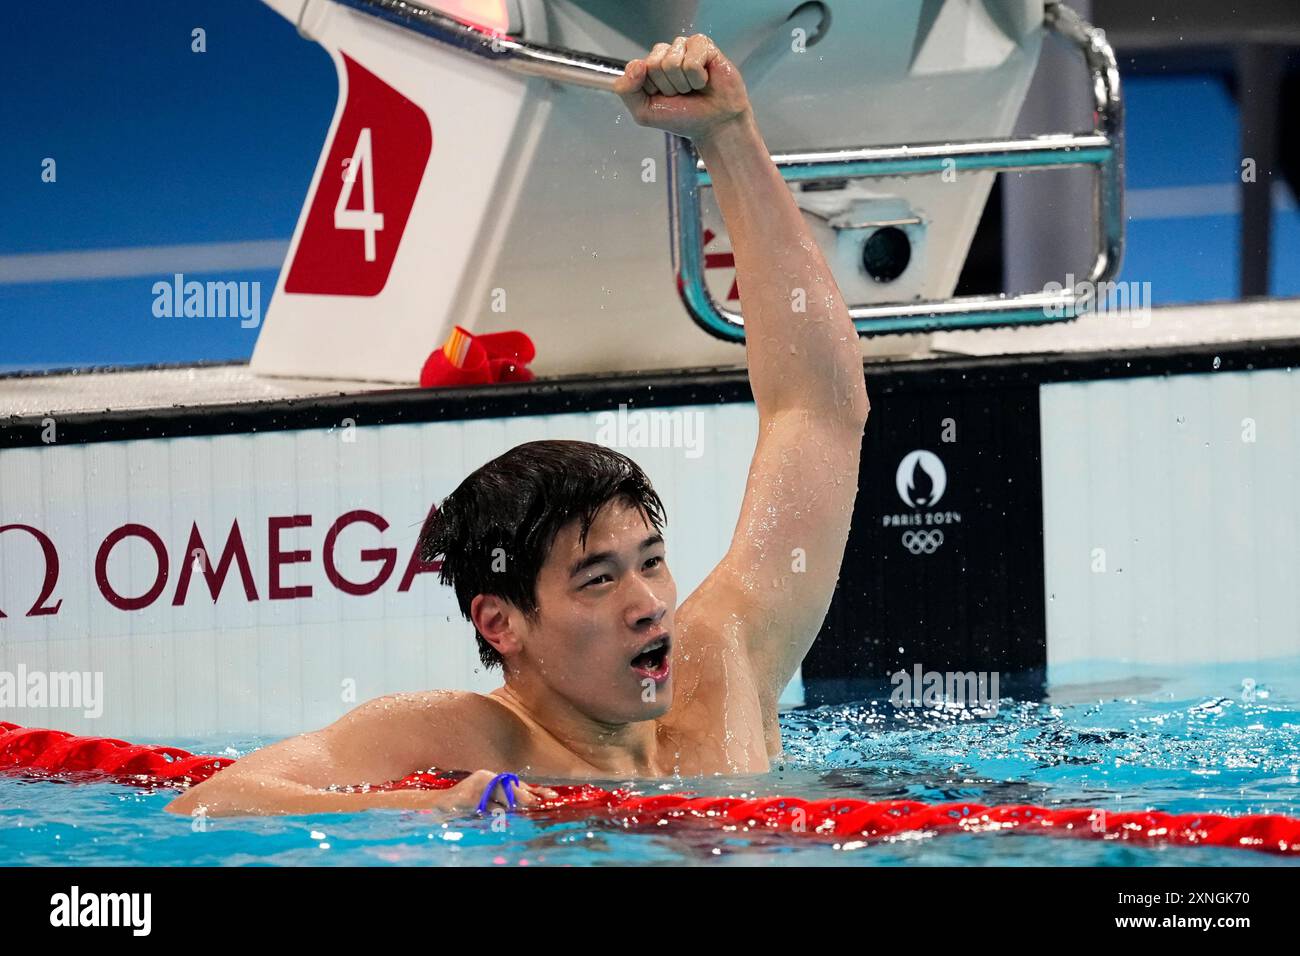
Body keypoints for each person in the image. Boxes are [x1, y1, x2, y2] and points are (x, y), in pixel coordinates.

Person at [167, 34, 869, 817]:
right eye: (598, 579)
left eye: (652, 562)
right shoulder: (463, 738)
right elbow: (209, 803)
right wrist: (422, 808)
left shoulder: (725, 661)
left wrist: (730, 136)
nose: (649, 604)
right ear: (500, 623)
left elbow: (821, 412)